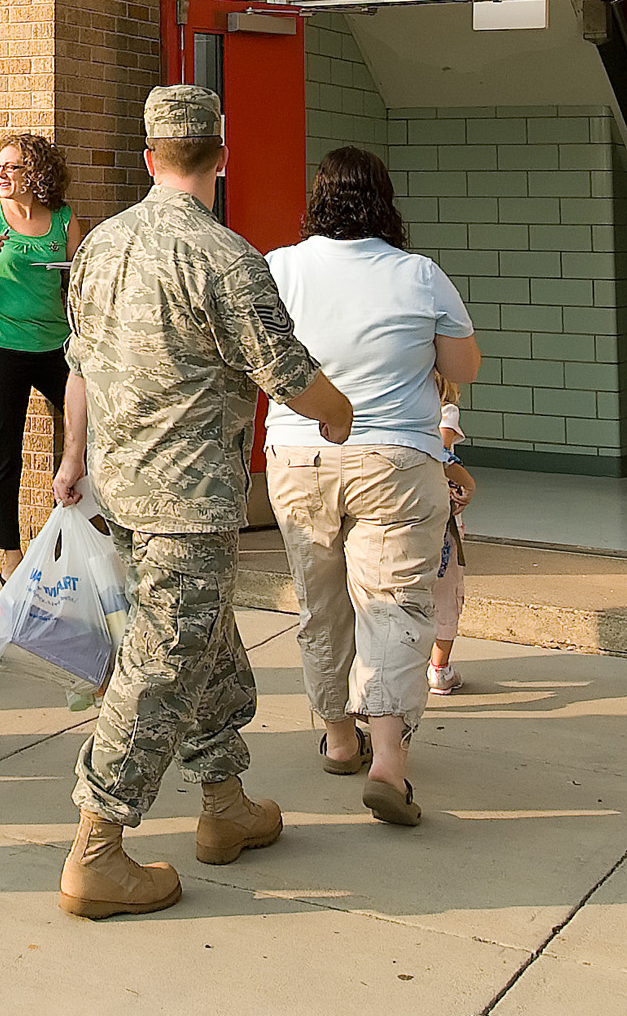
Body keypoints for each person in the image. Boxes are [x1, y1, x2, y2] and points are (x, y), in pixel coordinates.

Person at [52, 84, 353, 921]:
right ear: (221, 156)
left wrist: (73, 458)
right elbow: (287, 373)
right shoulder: (223, 257)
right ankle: (96, 850)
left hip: (124, 491)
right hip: (189, 499)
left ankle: (223, 805)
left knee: (208, 645)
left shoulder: (101, 247)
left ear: (150, 157)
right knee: (162, 665)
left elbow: (78, 365)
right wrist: (343, 414)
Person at [263, 145, 480, 828]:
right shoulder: (419, 275)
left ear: (319, 198)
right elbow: (462, 367)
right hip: (396, 460)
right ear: (385, 200)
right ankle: (387, 760)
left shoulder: (280, 267)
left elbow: (255, 359)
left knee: (319, 605)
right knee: (391, 604)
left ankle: (336, 737)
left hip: (299, 458)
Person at [0, 130, 85, 578]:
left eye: (11, 166)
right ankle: (10, 560)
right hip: (1, 347)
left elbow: (78, 286)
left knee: (86, 431)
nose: (1, 174)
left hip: (56, 348)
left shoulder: (64, 219)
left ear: (35, 171)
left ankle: (83, 535)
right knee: (4, 451)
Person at [429, 375, 468, 696]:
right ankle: (439, 669)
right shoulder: (447, 411)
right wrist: (466, 481)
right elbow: (442, 450)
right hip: (443, 521)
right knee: (447, 592)